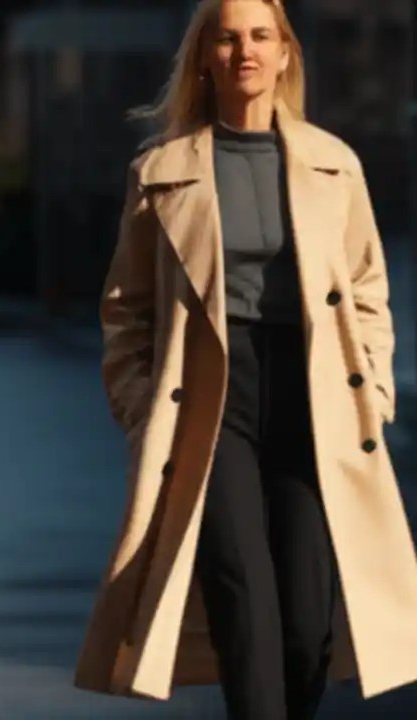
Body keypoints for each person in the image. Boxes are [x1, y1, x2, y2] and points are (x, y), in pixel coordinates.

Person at [73, 0, 417, 717]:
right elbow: (125, 308)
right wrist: (141, 410)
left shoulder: (334, 163)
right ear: (204, 56)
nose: (245, 51)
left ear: (286, 54)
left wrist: (375, 391)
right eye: (227, 38)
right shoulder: (160, 173)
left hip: (315, 397)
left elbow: (366, 288)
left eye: (261, 36)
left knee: (306, 617)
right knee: (242, 598)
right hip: (211, 400)